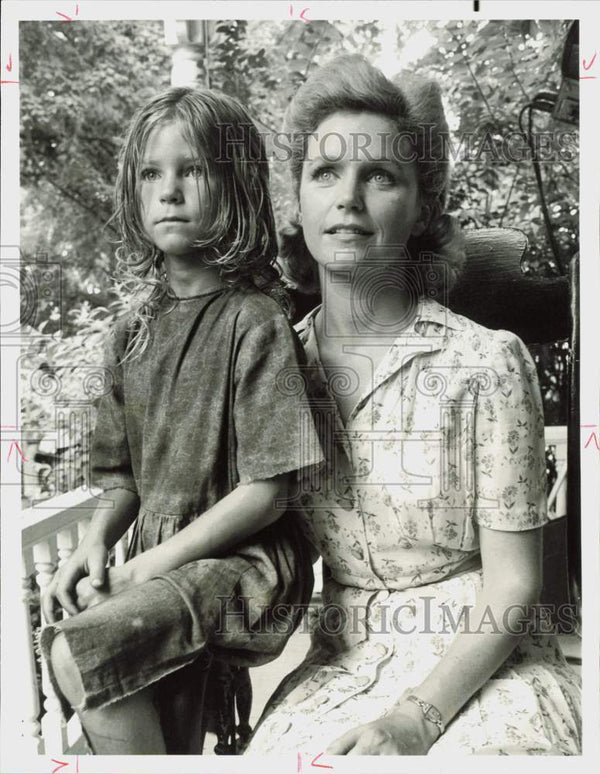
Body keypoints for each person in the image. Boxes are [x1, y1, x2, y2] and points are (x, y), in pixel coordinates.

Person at [245, 54, 582, 756]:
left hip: (483, 665)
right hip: (337, 666)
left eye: (380, 176)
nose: (348, 198)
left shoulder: (487, 363)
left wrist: (414, 721)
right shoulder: (270, 369)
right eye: (325, 173)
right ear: (298, 202)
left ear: (423, 204)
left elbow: (514, 583)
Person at [40, 87, 323, 755]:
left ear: (238, 187)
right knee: (155, 713)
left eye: (192, 170)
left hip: (245, 563)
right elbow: (121, 481)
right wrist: (93, 544)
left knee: (78, 654)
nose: (169, 191)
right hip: (158, 557)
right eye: (151, 174)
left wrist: (145, 570)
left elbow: (268, 491)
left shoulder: (254, 321)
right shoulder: (131, 332)